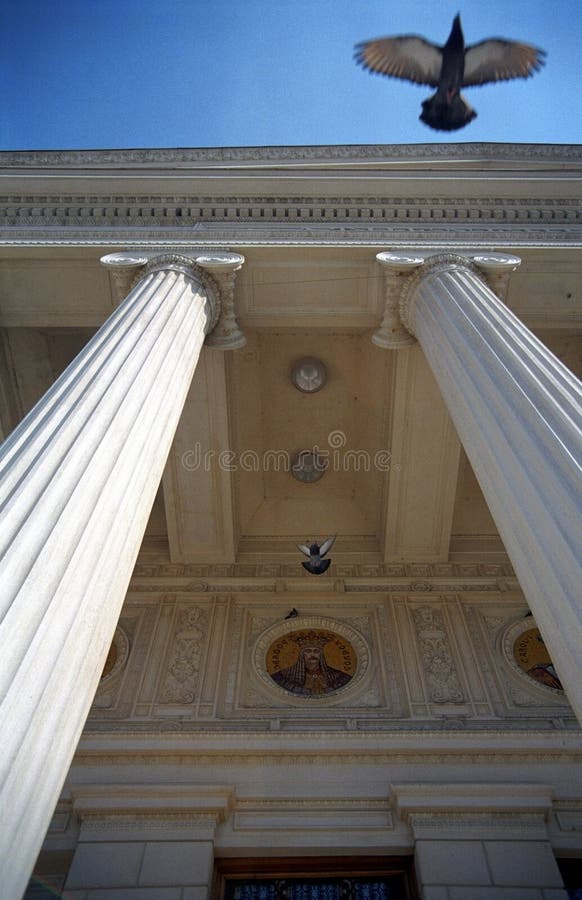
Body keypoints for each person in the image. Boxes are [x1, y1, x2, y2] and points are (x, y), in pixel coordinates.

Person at [271, 631, 352, 696]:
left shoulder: (339, 676)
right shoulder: (283, 676)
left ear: (321, 654)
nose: (312, 655)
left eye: (316, 651)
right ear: (302, 654)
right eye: (308, 651)